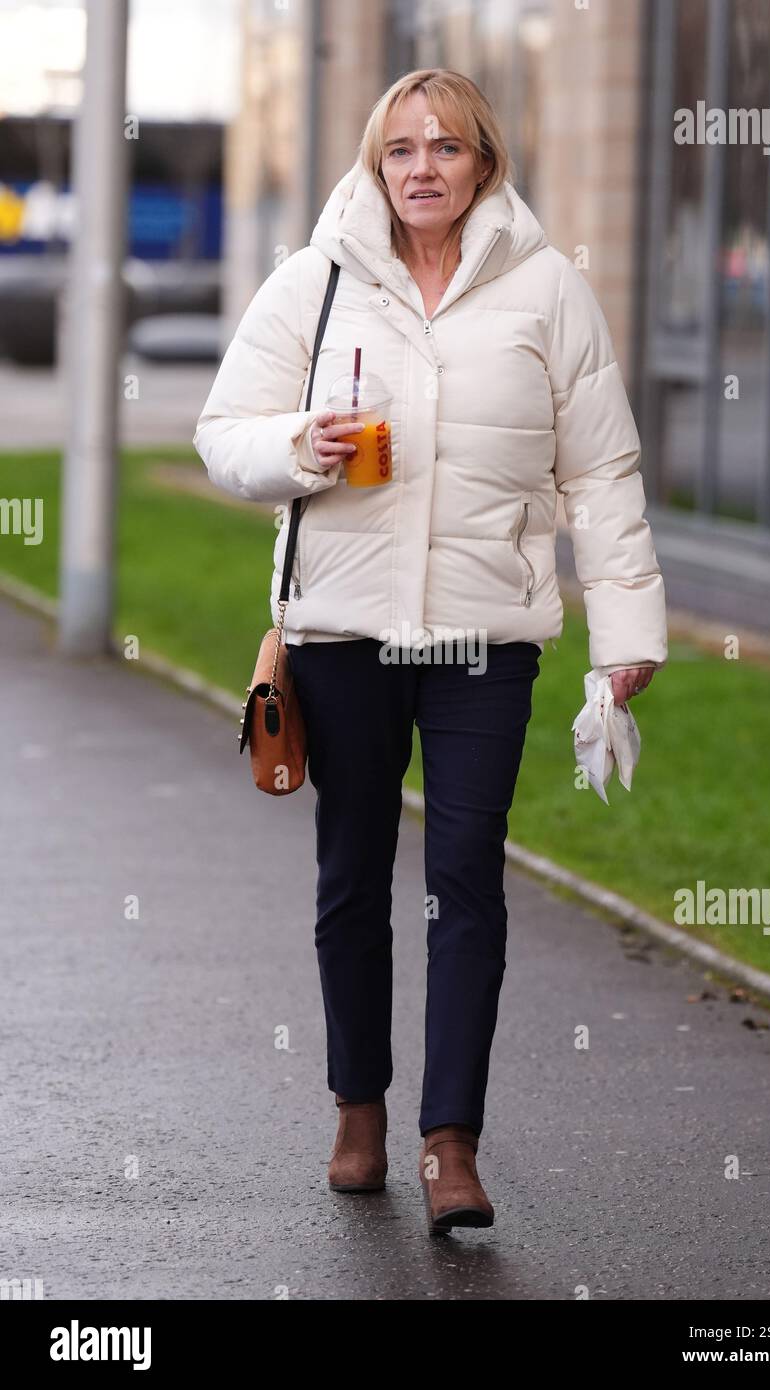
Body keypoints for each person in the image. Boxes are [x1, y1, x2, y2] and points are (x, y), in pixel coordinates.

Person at [193, 68, 667, 1236]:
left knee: (468, 881)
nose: (421, 167)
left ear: (483, 162)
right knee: (352, 876)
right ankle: (359, 1109)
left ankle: (451, 1140)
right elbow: (222, 435)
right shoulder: (316, 282)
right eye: (400, 147)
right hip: (345, 635)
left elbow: (601, 473)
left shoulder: (549, 290)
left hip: (484, 638)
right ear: (375, 162)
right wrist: (302, 444)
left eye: (445, 146)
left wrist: (627, 636)